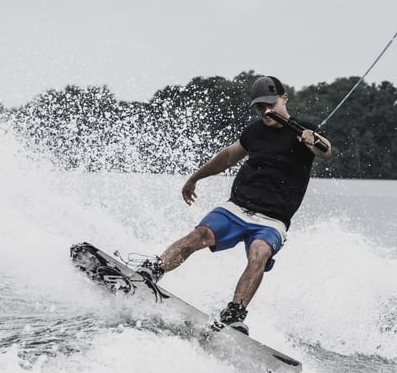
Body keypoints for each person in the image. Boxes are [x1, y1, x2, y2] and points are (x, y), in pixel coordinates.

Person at [137, 75, 332, 334]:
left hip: (272, 219)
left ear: (284, 99)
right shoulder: (254, 132)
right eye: (260, 107)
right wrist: (194, 178)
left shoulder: (302, 130)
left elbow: (326, 151)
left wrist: (313, 140)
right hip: (237, 207)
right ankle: (153, 270)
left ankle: (235, 313)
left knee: (260, 252)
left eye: (271, 104)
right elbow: (228, 157)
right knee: (200, 234)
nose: (266, 111)